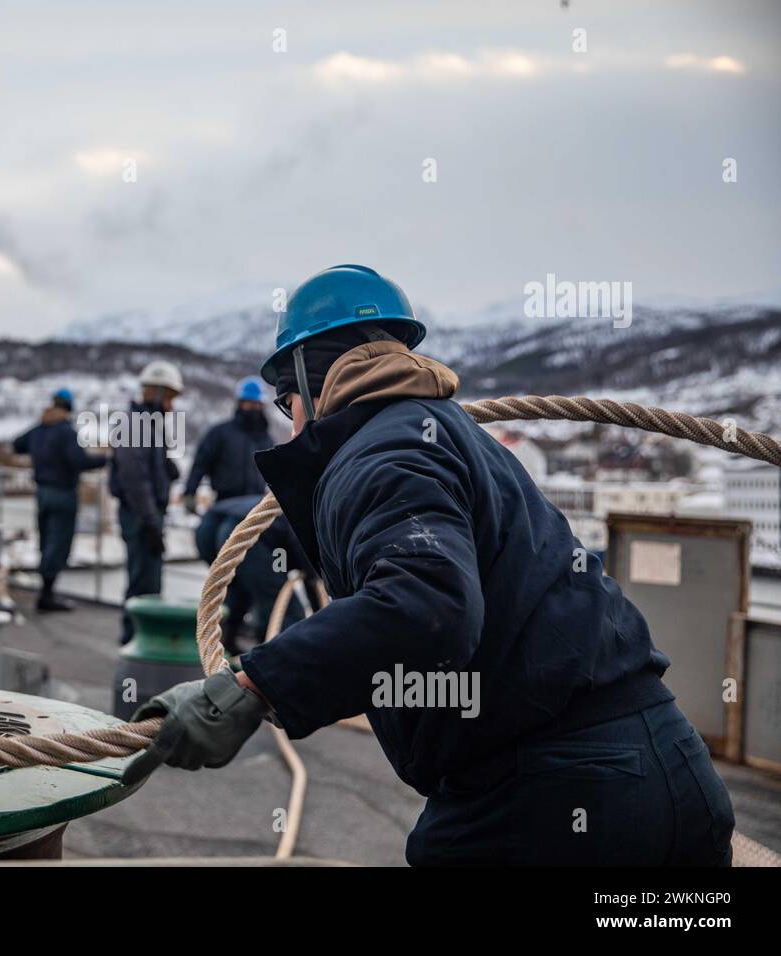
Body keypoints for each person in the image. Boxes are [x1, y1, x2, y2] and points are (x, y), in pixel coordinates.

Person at [125, 264, 735, 867]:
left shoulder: (382, 451)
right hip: (665, 766)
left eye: (289, 404)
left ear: (310, 383)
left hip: (558, 797)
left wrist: (252, 686)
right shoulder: (446, 432)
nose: (292, 423)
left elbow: (429, 606)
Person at [108, 360, 183, 644]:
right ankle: (134, 638)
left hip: (147, 514)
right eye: (171, 398)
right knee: (143, 580)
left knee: (149, 579)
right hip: (140, 515)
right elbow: (134, 479)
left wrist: (166, 466)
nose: (172, 405)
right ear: (158, 393)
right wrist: (151, 520)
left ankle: (140, 635)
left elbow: (145, 467)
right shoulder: (134, 424)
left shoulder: (149, 424)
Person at [12, 387, 107, 611]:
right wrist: (105, 459)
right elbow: (79, 461)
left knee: (46, 543)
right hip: (63, 494)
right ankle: (47, 596)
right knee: (59, 545)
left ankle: (46, 593)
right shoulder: (65, 431)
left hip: (42, 493)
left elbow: (17, 445)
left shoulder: (39, 429)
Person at [195, 493, 321, 655]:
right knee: (282, 603)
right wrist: (321, 612)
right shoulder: (306, 521)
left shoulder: (286, 507)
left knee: (237, 594)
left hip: (208, 530)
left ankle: (224, 650)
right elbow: (309, 572)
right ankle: (282, 657)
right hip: (246, 534)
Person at [182, 376, 272, 516]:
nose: (254, 408)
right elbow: (200, 464)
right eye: (249, 403)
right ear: (240, 403)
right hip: (224, 502)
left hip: (255, 505)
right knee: (208, 534)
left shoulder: (266, 439)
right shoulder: (220, 433)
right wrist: (190, 492)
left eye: (257, 404)